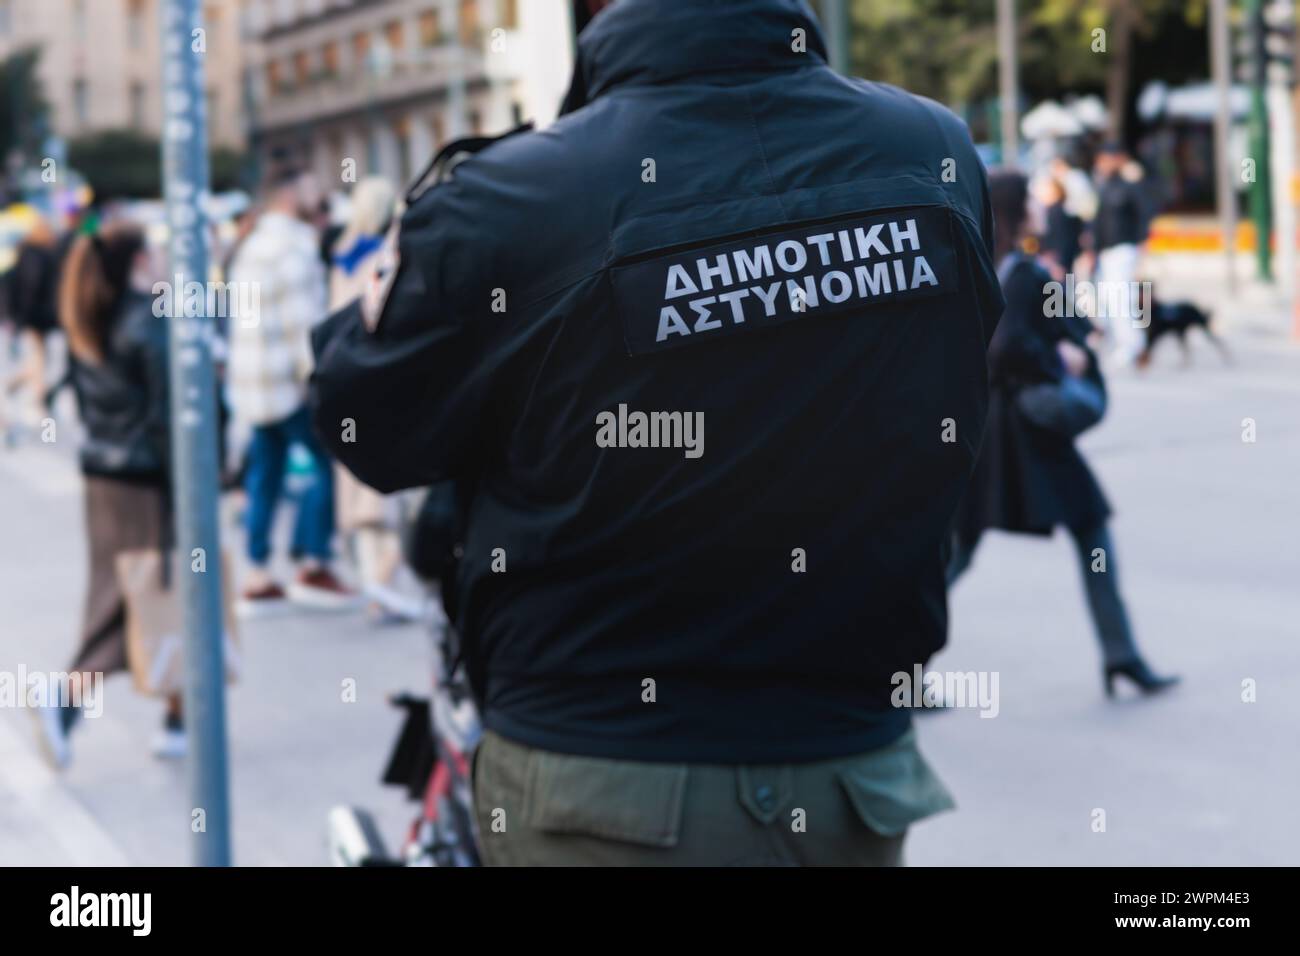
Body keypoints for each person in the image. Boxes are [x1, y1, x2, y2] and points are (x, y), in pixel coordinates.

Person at [311, 0, 1004, 866]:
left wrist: (385, 291)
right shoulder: (932, 149)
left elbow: (365, 426)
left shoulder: (514, 195)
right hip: (851, 779)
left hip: (602, 787)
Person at [949, 169, 1178, 698]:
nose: (1038, 205)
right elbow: (1006, 346)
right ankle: (1121, 656)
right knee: (1087, 528)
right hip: (1026, 433)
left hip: (997, 432)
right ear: (1011, 209)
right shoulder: (1024, 273)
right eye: (1028, 197)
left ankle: (897, 667)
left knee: (962, 547)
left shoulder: (980, 263)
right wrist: (1056, 357)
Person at [30, 224, 184, 767]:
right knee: (145, 599)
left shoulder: (90, 316)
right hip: (147, 482)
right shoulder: (147, 322)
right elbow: (171, 420)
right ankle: (68, 697)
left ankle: (178, 716)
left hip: (105, 478)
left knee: (137, 594)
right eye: (159, 251)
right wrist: (197, 484)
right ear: (140, 260)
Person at [227, 167, 352, 613]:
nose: (319, 195)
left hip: (254, 385)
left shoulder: (254, 244)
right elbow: (306, 330)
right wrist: (319, 383)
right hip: (287, 385)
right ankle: (313, 563)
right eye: (311, 187)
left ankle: (258, 572)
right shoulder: (294, 248)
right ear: (289, 194)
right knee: (328, 464)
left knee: (265, 475)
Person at [327, 176, 421, 623]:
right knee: (399, 497)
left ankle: (375, 584)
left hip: (345, 379)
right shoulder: (389, 257)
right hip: (386, 378)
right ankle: (384, 581)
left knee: (363, 493)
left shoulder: (341, 256)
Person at [1090, 142, 1150, 366]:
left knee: (1121, 298)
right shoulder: (1104, 185)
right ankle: (1124, 342)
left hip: (1124, 248)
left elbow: (1144, 215)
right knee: (1108, 298)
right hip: (1107, 251)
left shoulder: (1130, 185)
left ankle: (1132, 344)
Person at [3, 216, 61, 431]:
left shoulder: (28, 252)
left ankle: (14, 384)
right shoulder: (36, 255)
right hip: (34, 317)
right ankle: (37, 403)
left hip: (35, 316)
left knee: (39, 359)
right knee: (39, 360)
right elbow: (31, 288)